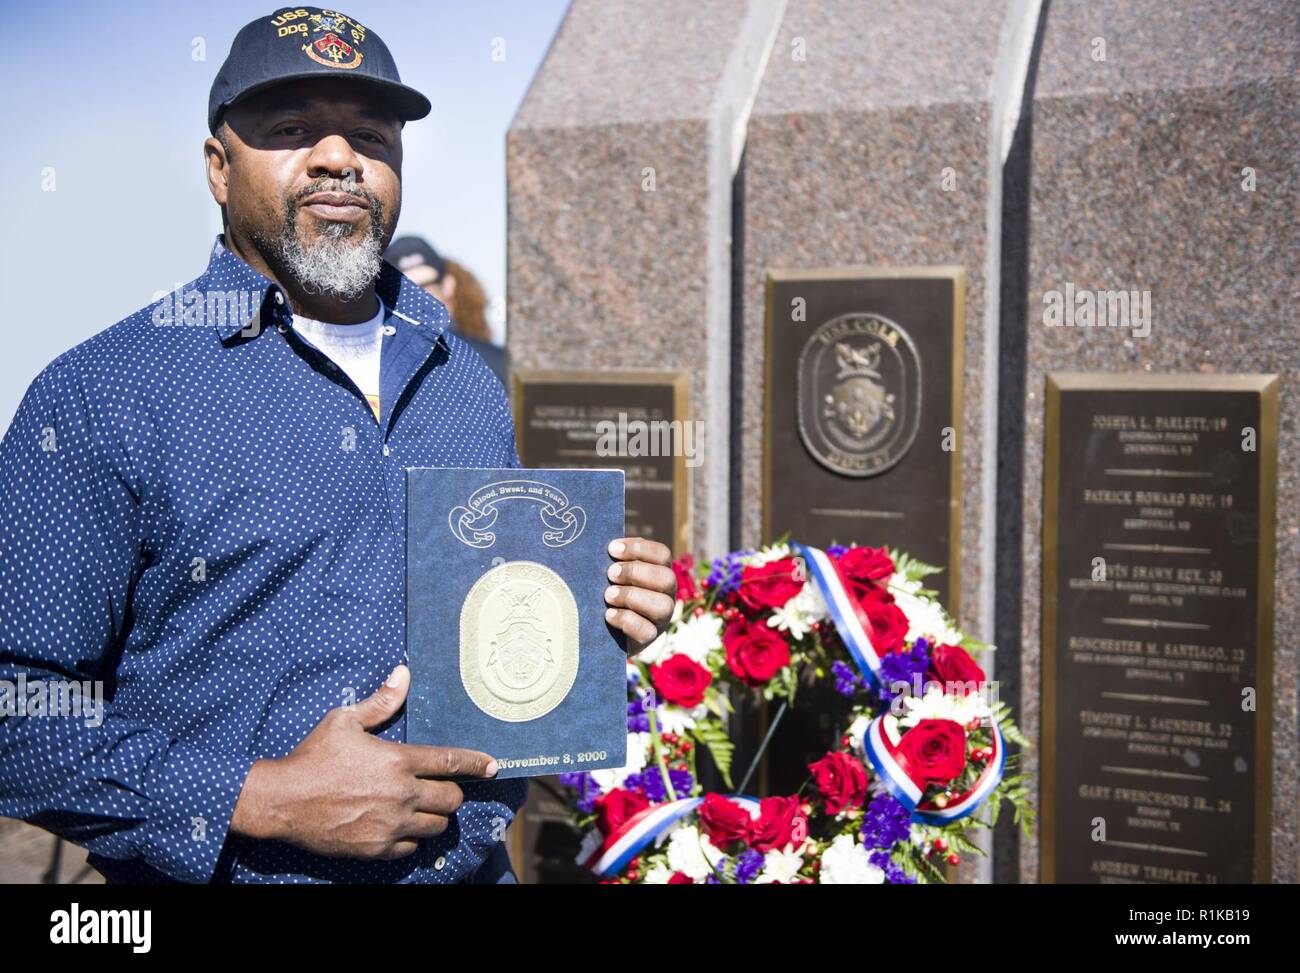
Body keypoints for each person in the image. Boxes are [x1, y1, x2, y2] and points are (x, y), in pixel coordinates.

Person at [0, 6, 675, 885]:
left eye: (369, 134)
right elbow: (18, 711)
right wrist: (258, 796)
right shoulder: (102, 393)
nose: (337, 157)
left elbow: (482, 638)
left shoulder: (462, 378)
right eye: (290, 130)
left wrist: (588, 621)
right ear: (216, 166)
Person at [384, 237, 509, 385]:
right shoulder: (374, 368)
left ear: (449, 285)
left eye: (426, 288)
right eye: (406, 292)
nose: (417, 301)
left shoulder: (494, 363)